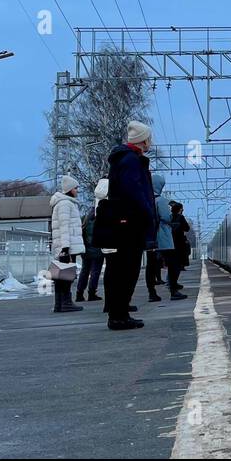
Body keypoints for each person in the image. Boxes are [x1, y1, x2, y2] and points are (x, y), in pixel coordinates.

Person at [94, 120, 157, 331]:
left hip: (125, 222)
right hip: (130, 223)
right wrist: (148, 212)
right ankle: (119, 316)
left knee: (120, 270)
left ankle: (119, 314)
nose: (150, 142)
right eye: (149, 138)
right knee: (126, 270)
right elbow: (135, 192)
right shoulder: (130, 160)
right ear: (143, 140)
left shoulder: (124, 159)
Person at [49, 174, 85, 313]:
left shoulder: (63, 203)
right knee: (66, 276)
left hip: (64, 245)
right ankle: (66, 303)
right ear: (69, 189)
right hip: (67, 245)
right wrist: (65, 247)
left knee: (61, 275)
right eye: (76, 188)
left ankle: (60, 304)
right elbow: (64, 226)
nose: (77, 191)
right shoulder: (65, 203)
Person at [146, 172, 174, 303]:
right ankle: (173, 291)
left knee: (151, 267)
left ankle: (152, 293)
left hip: (150, 238)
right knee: (172, 263)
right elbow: (167, 218)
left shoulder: (145, 199)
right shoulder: (161, 201)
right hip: (163, 237)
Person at [75, 180, 105, 302]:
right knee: (95, 272)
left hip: (86, 250)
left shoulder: (85, 221)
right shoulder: (100, 221)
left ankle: (79, 293)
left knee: (84, 271)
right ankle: (92, 293)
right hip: (97, 250)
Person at [166, 200, 191, 299]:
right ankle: (173, 290)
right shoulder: (180, 217)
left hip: (169, 244)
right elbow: (187, 228)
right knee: (176, 267)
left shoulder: (169, 217)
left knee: (172, 267)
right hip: (179, 245)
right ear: (180, 210)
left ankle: (173, 286)